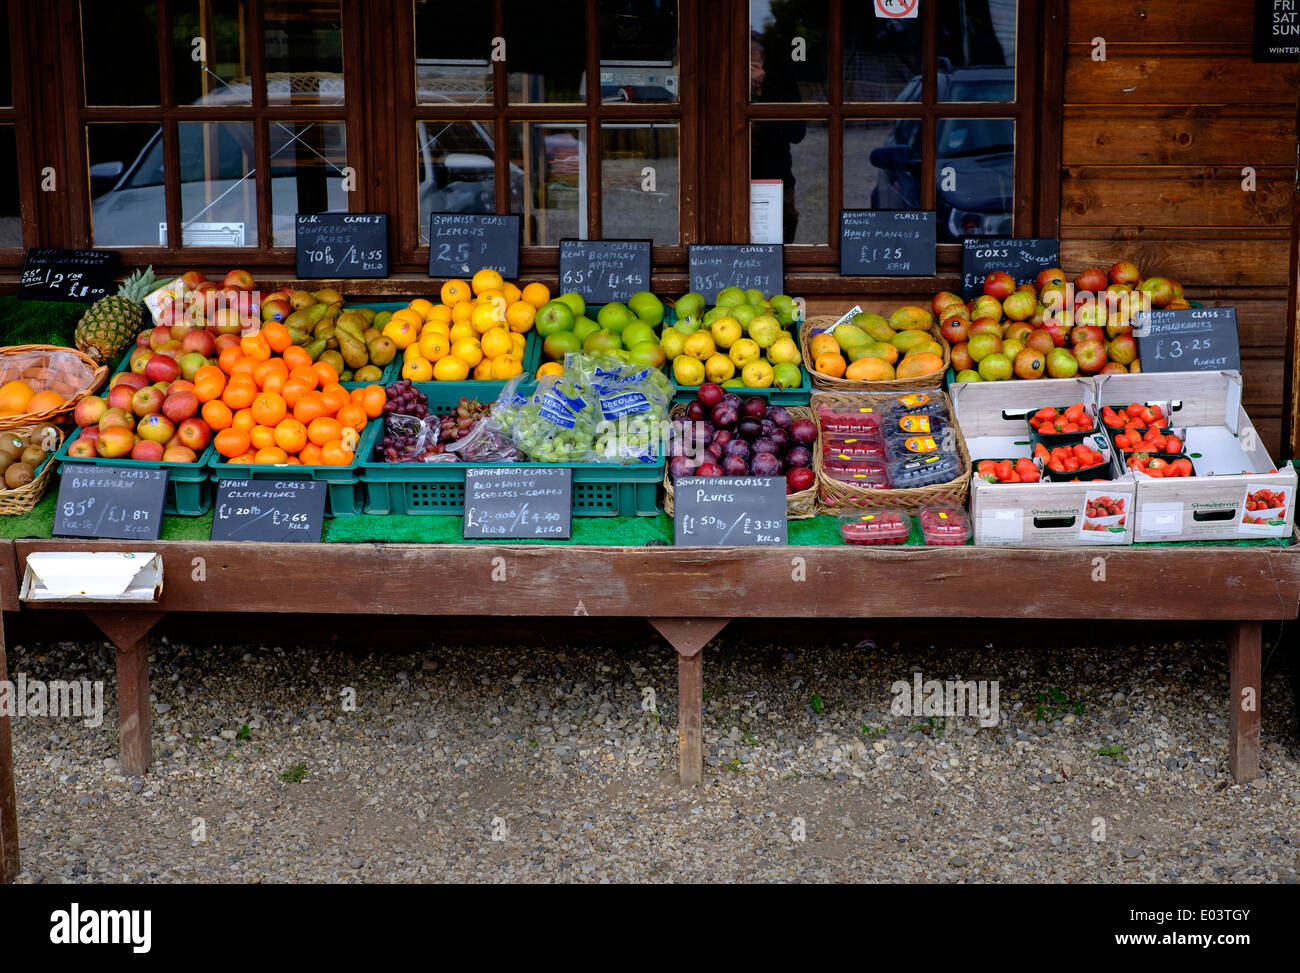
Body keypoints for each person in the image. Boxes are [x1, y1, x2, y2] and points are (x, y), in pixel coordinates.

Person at [749, 31, 805, 242]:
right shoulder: (725, 83)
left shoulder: (781, 82)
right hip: (730, 177)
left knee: (779, 235)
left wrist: (762, 96)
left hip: (775, 176)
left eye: (757, 57)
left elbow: (797, 133)